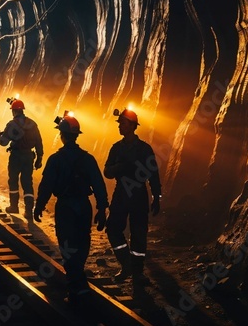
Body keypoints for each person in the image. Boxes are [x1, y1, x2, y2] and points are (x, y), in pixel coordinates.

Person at [32, 114, 108, 304]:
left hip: (65, 206)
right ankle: (78, 282)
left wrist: (39, 205)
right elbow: (99, 185)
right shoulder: (88, 159)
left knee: (67, 245)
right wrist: (101, 208)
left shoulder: (56, 160)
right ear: (76, 136)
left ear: (62, 136)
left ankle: (77, 287)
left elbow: (47, 185)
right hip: (84, 206)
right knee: (82, 242)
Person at [104, 108, 161, 286]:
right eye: (119, 123)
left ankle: (137, 273)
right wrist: (118, 167)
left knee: (138, 234)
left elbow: (154, 174)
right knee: (113, 229)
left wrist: (157, 196)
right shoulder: (116, 148)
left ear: (132, 126)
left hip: (138, 194)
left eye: (122, 123)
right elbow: (107, 171)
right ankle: (126, 264)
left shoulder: (144, 149)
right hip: (122, 192)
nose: (119, 126)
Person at [0, 98, 44, 224]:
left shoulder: (12, 124)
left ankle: (14, 206)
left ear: (14, 112)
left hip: (16, 156)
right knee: (27, 181)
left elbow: (3, 142)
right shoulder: (32, 124)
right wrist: (39, 158)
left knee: (13, 180)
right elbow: (39, 141)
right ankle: (29, 211)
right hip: (29, 156)